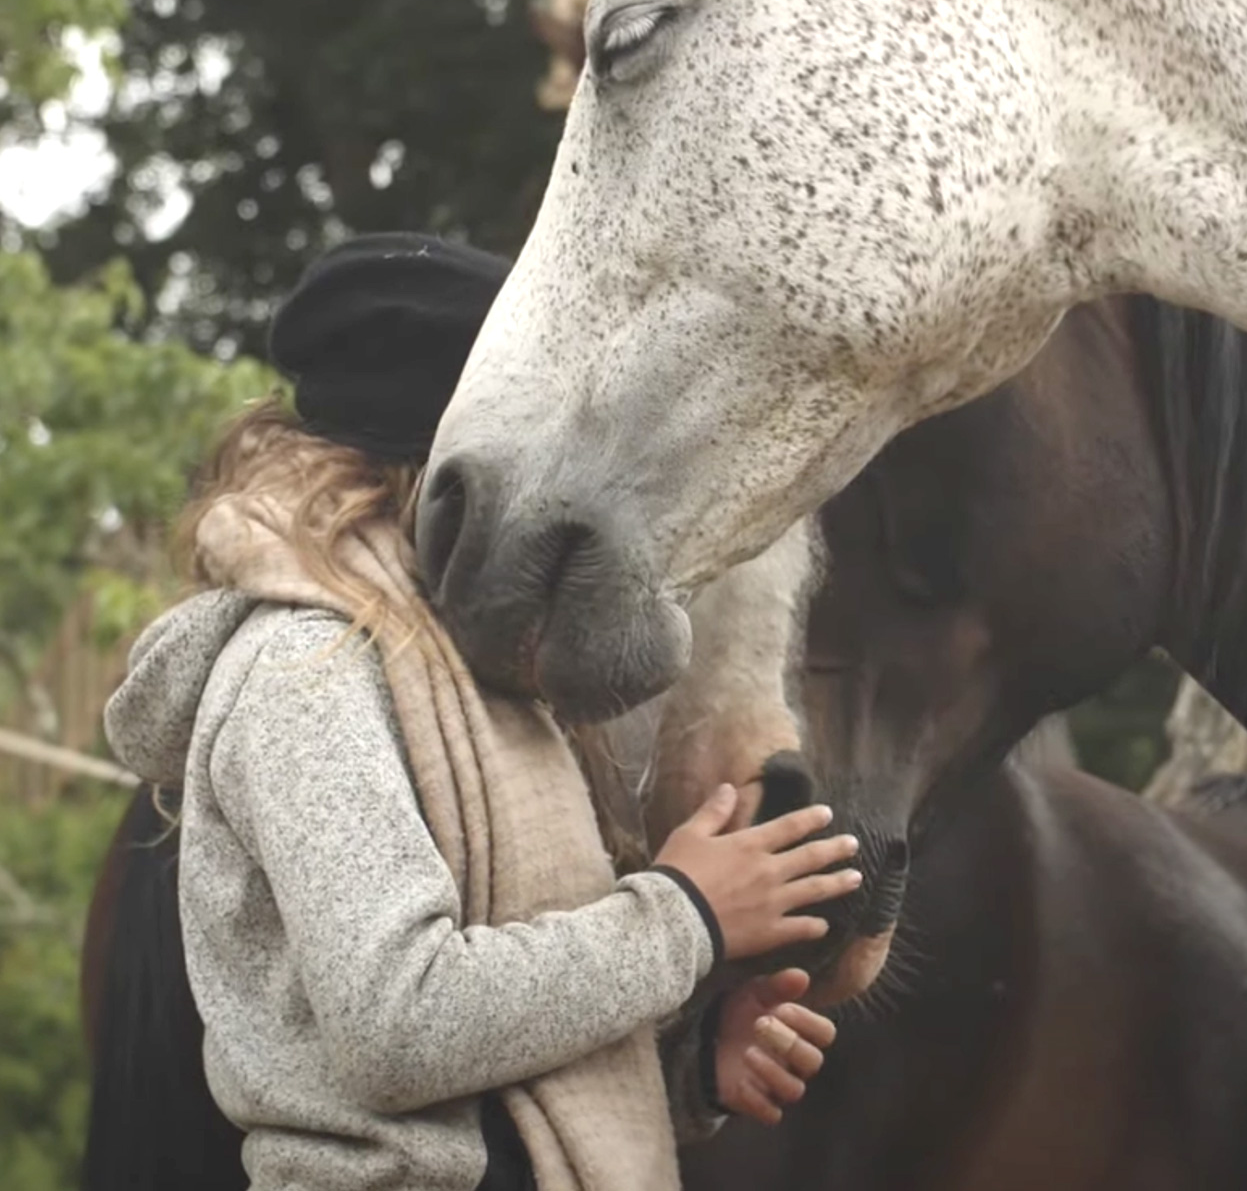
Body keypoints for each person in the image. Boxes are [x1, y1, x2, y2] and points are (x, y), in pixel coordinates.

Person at [104, 234, 862, 1191]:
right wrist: (687, 919)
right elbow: (397, 1028)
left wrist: (687, 1074)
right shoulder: (306, 672)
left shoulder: (483, 676)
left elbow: (505, 1081)